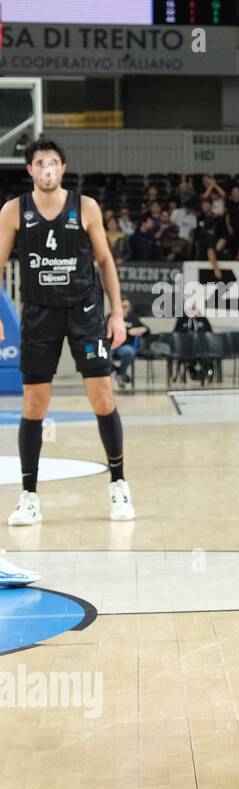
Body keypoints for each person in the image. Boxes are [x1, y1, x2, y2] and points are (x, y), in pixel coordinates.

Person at [0, 138, 134, 526]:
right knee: (33, 405)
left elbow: (106, 262)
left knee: (103, 398)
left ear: (63, 168)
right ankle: (29, 497)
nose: (47, 168)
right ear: (29, 170)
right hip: (40, 313)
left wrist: (117, 315)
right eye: (40, 162)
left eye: (53, 162)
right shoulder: (13, 211)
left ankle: (119, 484)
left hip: (85, 312)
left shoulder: (86, 206)